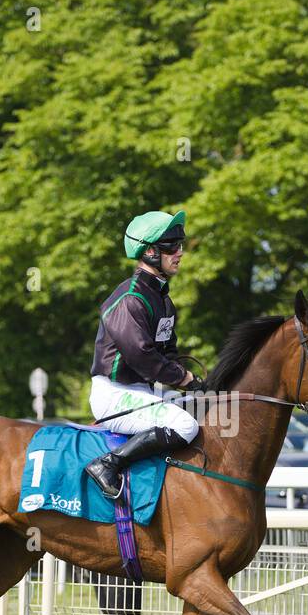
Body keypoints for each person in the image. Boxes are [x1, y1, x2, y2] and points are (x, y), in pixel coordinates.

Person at [84, 210, 204, 499]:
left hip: (142, 393)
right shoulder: (130, 298)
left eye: (181, 245)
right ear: (150, 252)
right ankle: (108, 464)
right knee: (186, 424)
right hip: (114, 396)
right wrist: (186, 378)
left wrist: (200, 386)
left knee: (206, 408)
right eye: (172, 247)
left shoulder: (163, 300)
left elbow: (168, 353)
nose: (180, 253)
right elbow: (143, 357)